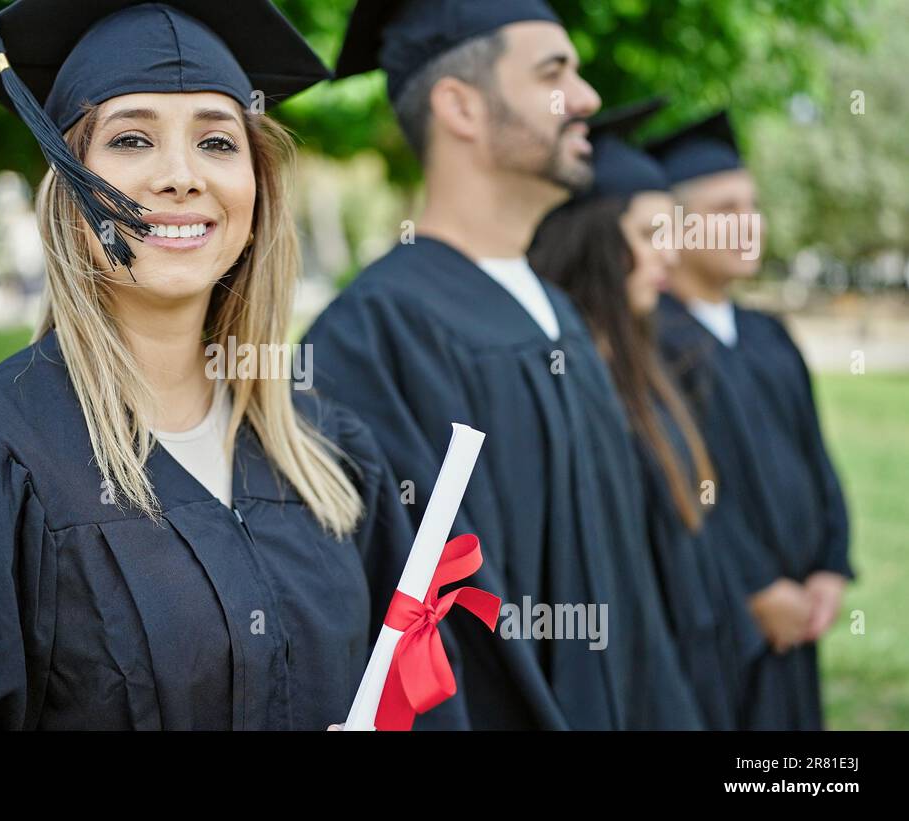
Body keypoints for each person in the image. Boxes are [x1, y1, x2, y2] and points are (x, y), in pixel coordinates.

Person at [0, 0, 465, 731]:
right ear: (67, 181)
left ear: (258, 185)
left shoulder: (332, 461)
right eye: (133, 138)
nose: (181, 176)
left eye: (217, 142)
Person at [304, 0, 702, 729]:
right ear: (460, 105)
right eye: (555, 73)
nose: (587, 98)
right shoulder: (374, 338)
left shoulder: (556, 311)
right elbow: (417, 642)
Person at [529, 99, 765, 729]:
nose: (669, 253)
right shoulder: (560, 379)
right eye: (650, 235)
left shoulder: (655, 364)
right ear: (600, 242)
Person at [647, 111, 853, 729]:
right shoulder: (651, 347)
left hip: (800, 618)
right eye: (725, 210)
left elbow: (815, 457)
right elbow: (672, 488)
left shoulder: (769, 334)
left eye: (753, 206)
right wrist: (757, 589)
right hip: (717, 623)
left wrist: (830, 566)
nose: (749, 225)